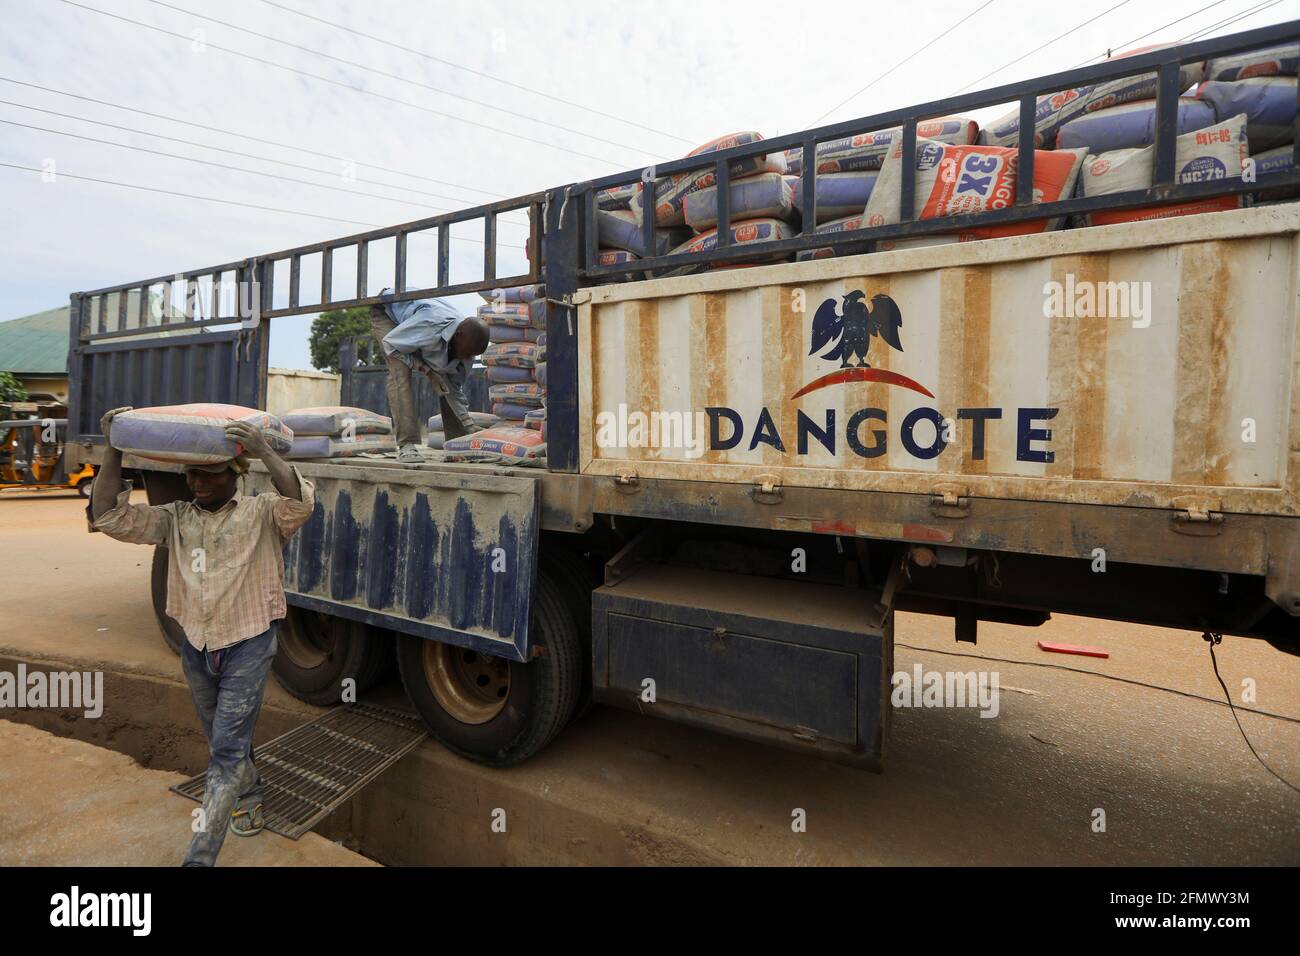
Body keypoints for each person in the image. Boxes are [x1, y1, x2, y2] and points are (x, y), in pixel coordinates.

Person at [90, 406, 315, 866]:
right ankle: (249, 794)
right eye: (193, 475)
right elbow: (108, 517)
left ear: (236, 473)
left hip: (248, 644)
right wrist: (113, 449)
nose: (198, 483)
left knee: (227, 750)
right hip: (197, 647)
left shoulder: (263, 513)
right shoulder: (175, 519)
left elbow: (301, 501)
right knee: (221, 738)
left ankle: (199, 858)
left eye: (210, 474)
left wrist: (263, 450)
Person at [369, 290, 490, 463]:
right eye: (465, 353)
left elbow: (454, 388)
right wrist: (428, 371)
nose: (465, 358)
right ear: (458, 335)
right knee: (400, 373)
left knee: (446, 377)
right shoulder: (430, 324)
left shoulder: (468, 350)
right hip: (388, 310)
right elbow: (391, 345)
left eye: (470, 356)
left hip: (415, 323)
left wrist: (468, 424)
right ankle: (407, 444)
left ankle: (456, 444)